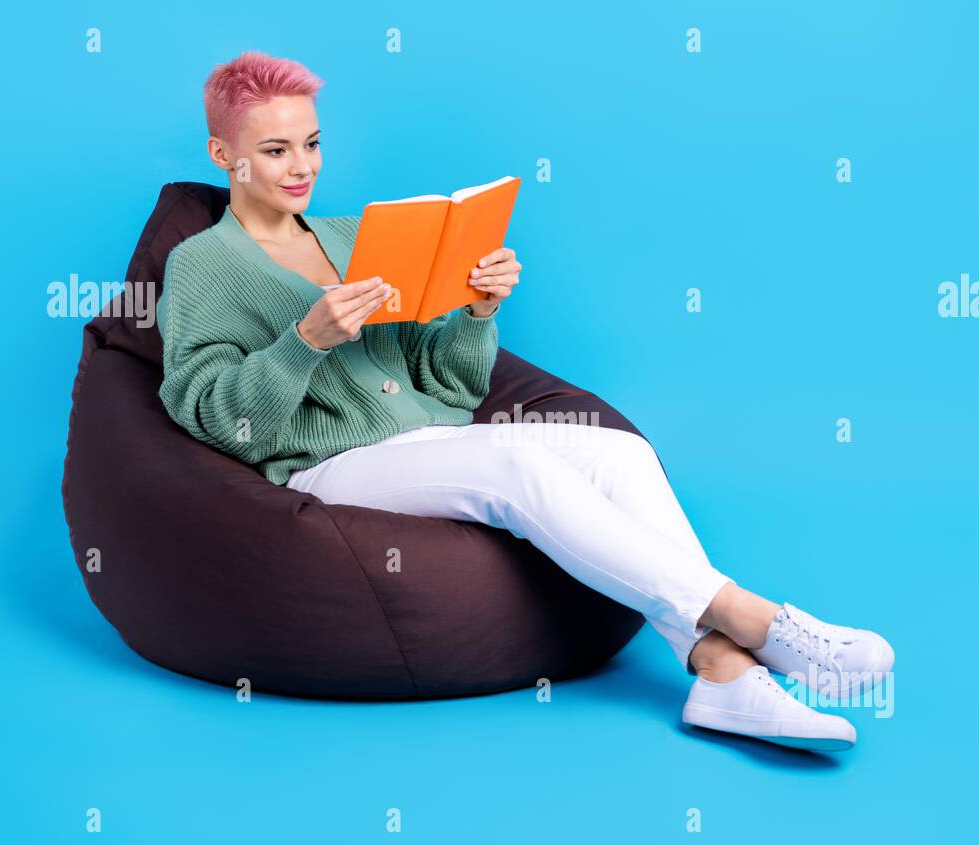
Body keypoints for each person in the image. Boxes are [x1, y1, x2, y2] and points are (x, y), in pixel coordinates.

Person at [156, 51, 895, 752]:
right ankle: (750, 617)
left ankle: (723, 673)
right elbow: (215, 417)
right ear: (224, 156)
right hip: (325, 467)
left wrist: (475, 312)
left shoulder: (354, 236)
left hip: (429, 443)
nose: (302, 167)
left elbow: (448, 386)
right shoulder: (200, 266)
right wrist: (304, 341)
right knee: (515, 461)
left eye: (312, 143)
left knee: (618, 450)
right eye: (277, 150)